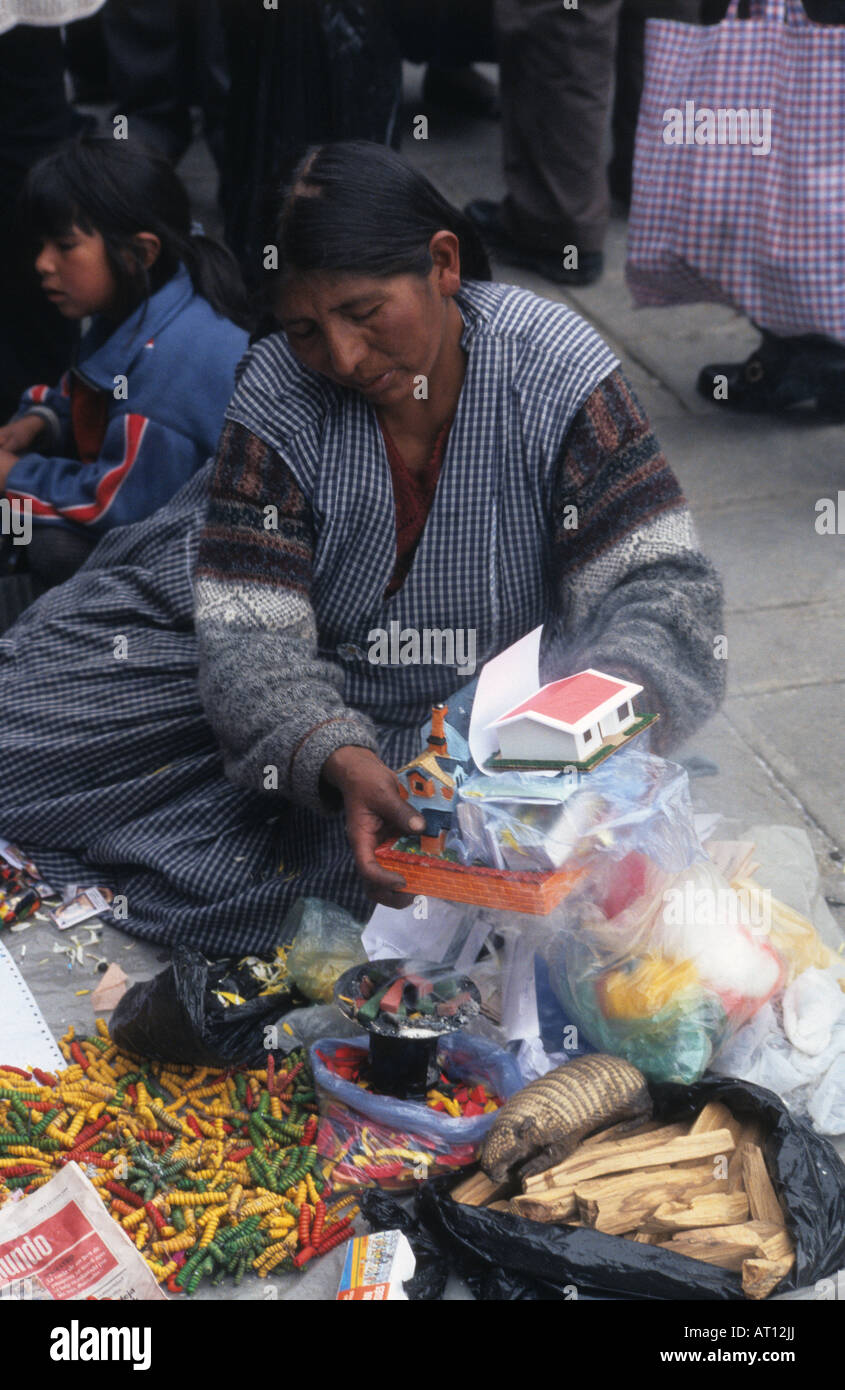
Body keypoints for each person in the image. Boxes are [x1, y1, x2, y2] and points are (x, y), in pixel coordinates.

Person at [0, 141, 724, 955]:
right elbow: (249, 635)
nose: (341, 358)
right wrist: (333, 755)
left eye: (364, 312)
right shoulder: (278, 387)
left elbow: (663, 591)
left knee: (419, 883)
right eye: (307, 328)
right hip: (282, 671)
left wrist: (581, 725)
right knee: (23, 736)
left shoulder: (554, 369)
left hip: (482, 726)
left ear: (443, 264)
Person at [0, 136, 250, 592]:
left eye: (64, 245)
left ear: (140, 253)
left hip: (213, 560)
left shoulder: (166, 376)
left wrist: (13, 475)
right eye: (41, 245)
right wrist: (44, 421)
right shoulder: (148, 301)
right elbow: (88, 391)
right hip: (153, 498)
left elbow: (116, 504)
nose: (42, 263)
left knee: (52, 546)